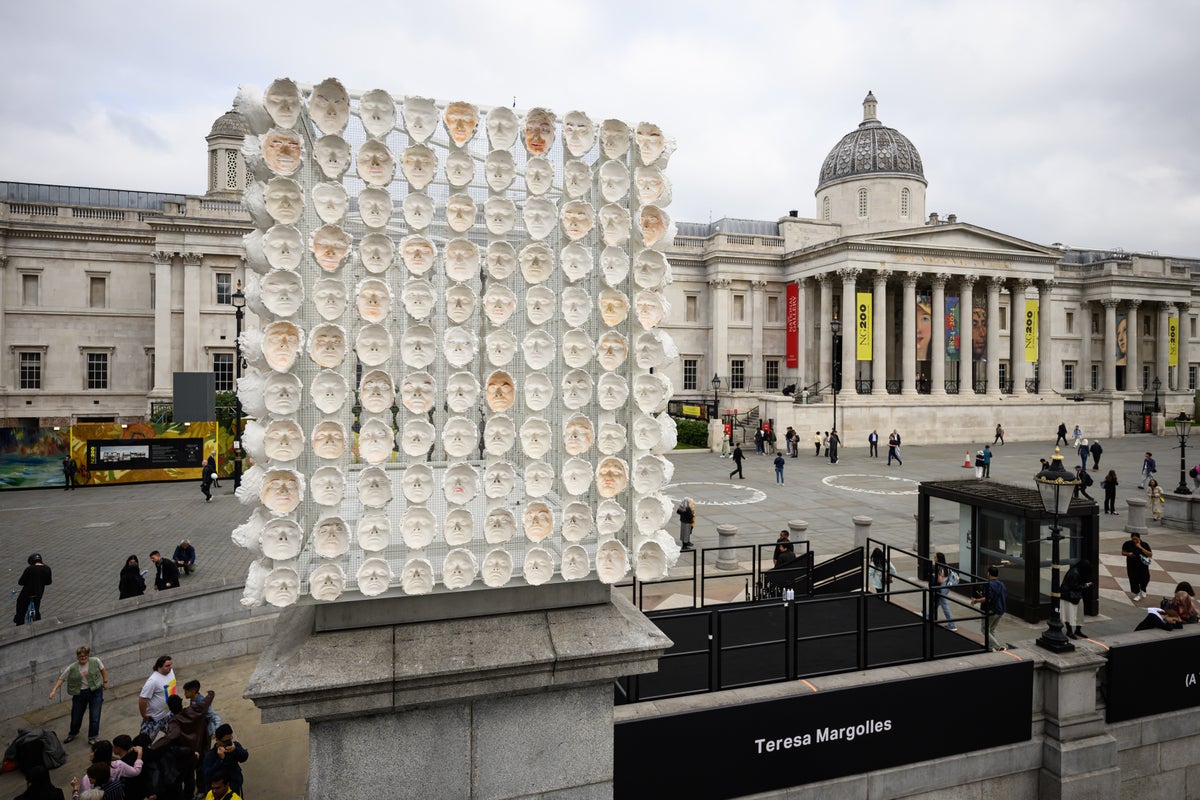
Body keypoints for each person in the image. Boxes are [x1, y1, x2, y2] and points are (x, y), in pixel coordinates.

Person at [151, 690, 215, 799]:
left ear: (170, 708)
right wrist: (210, 694)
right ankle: (193, 794)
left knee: (182, 778)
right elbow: (205, 703)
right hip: (198, 748)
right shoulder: (193, 710)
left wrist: (154, 746)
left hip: (184, 754)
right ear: (181, 703)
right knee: (191, 776)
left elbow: (172, 736)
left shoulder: (174, 722)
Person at [49, 646, 109, 745]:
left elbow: (103, 670)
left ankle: (92, 737)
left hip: (95, 691)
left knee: (95, 715)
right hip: (80, 694)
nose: (83, 658)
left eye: (85, 656)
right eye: (81, 656)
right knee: (76, 716)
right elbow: (61, 678)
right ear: (77, 657)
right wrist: (54, 690)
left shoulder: (95, 661)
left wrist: (105, 682)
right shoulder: (72, 667)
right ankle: (72, 733)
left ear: (88, 655)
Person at [201, 726, 248, 799]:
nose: (228, 743)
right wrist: (220, 760)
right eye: (225, 741)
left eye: (230, 739)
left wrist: (236, 750)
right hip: (219, 791)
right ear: (217, 740)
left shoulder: (234, 746)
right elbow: (207, 774)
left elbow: (244, 757)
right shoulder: (210, 755)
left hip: (234, 784)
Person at [137, 655, 176, 740]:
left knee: (176, 736)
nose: (170, 668)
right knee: (144, 742)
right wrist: (144, 714)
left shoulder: (171, 672)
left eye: (170, 665)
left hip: (168, 714)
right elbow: (142, 699)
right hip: (155, 718)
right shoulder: (153, 681)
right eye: (167, 666)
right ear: (159, 667)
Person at [970, 565, 1008, 651]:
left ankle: (998, 647)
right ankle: (990, 646)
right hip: (1000, 610)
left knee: (984, 629)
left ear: (988, 573)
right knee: (991, 629)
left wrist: (976, 601)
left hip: (991, 610)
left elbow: (986, 598)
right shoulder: (1001, 584)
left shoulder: (988, 584)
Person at [14, 553, 52, 625]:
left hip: (27, 593)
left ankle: (19, 622)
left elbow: (21, 582)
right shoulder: (47, 569)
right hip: (38, 593)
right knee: (36, 608)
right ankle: (38, 622)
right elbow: (48, 582)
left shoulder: (29, 569)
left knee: (21, 606)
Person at [1060, 560, 1092, 639]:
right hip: (1069, 596)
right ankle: (1069, 631)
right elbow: (1075, 586)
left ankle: (1077, 630)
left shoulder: (1076, 571)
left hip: (1074, 596)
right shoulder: (1075, 573)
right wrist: (1085, 586)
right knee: (1069, 614)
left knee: (1079, 613)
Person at [1121, 532, 1152, 601]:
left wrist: (1141, 548)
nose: (1135, 541)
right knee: (1133, 579)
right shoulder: (1127, 543)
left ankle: (1143, 589)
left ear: (1139, 538)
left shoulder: (1145, 544)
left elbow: (1150, 554)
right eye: (1133, 539)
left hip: (1143, 565)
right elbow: (1123, 552)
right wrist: (1128, 554)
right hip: (1131, 565)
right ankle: (1137, 594)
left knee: (1145, 578)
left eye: (1136, 539)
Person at [930, 552, 957, 631]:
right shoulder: (946, 566)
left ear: (938, 558)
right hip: (947, 586)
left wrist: (934, 575)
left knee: (944, 604)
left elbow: (940, 580)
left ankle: (952, 624)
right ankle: (928, 614)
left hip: (941, 587)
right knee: (936, 602)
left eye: (935, 557)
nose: (934, 557)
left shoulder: (939, 567)